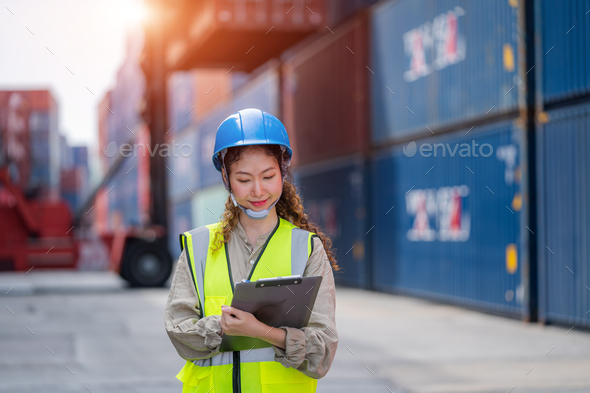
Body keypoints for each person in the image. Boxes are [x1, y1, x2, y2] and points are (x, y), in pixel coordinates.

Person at [164, 108, 339, 393]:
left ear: (283, 172)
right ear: (226, 178)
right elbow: (178, 330)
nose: (257, 191)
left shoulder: (306, 248)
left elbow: (322, 352)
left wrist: (259, 331)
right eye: (244, 180)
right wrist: (222, 326)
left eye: (268, 176)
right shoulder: (197, 248)